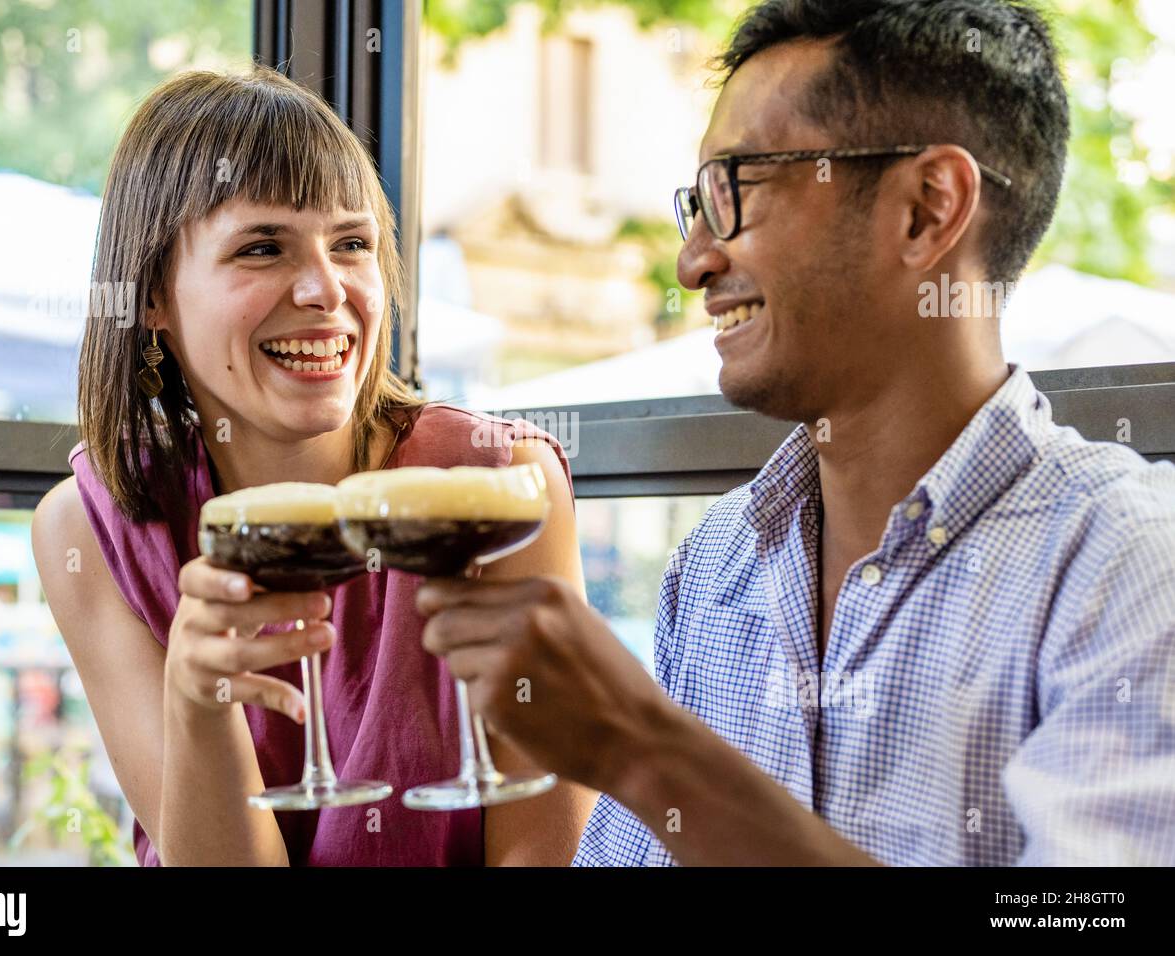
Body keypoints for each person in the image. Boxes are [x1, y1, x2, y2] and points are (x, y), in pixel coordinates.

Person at [417, 0, 1175, 866]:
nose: (693, 260)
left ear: (927, 210)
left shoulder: (1128, 566)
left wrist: (645, 749)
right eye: (693, 205)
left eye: (736, 189)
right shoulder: (716, 564)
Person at [31, 66, 595, 866]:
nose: (326, 289)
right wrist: (199, 704)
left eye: (353, 245)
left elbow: (546, 853)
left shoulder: (498, 487)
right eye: (262, 248)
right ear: (151, 294)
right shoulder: (91, 528)